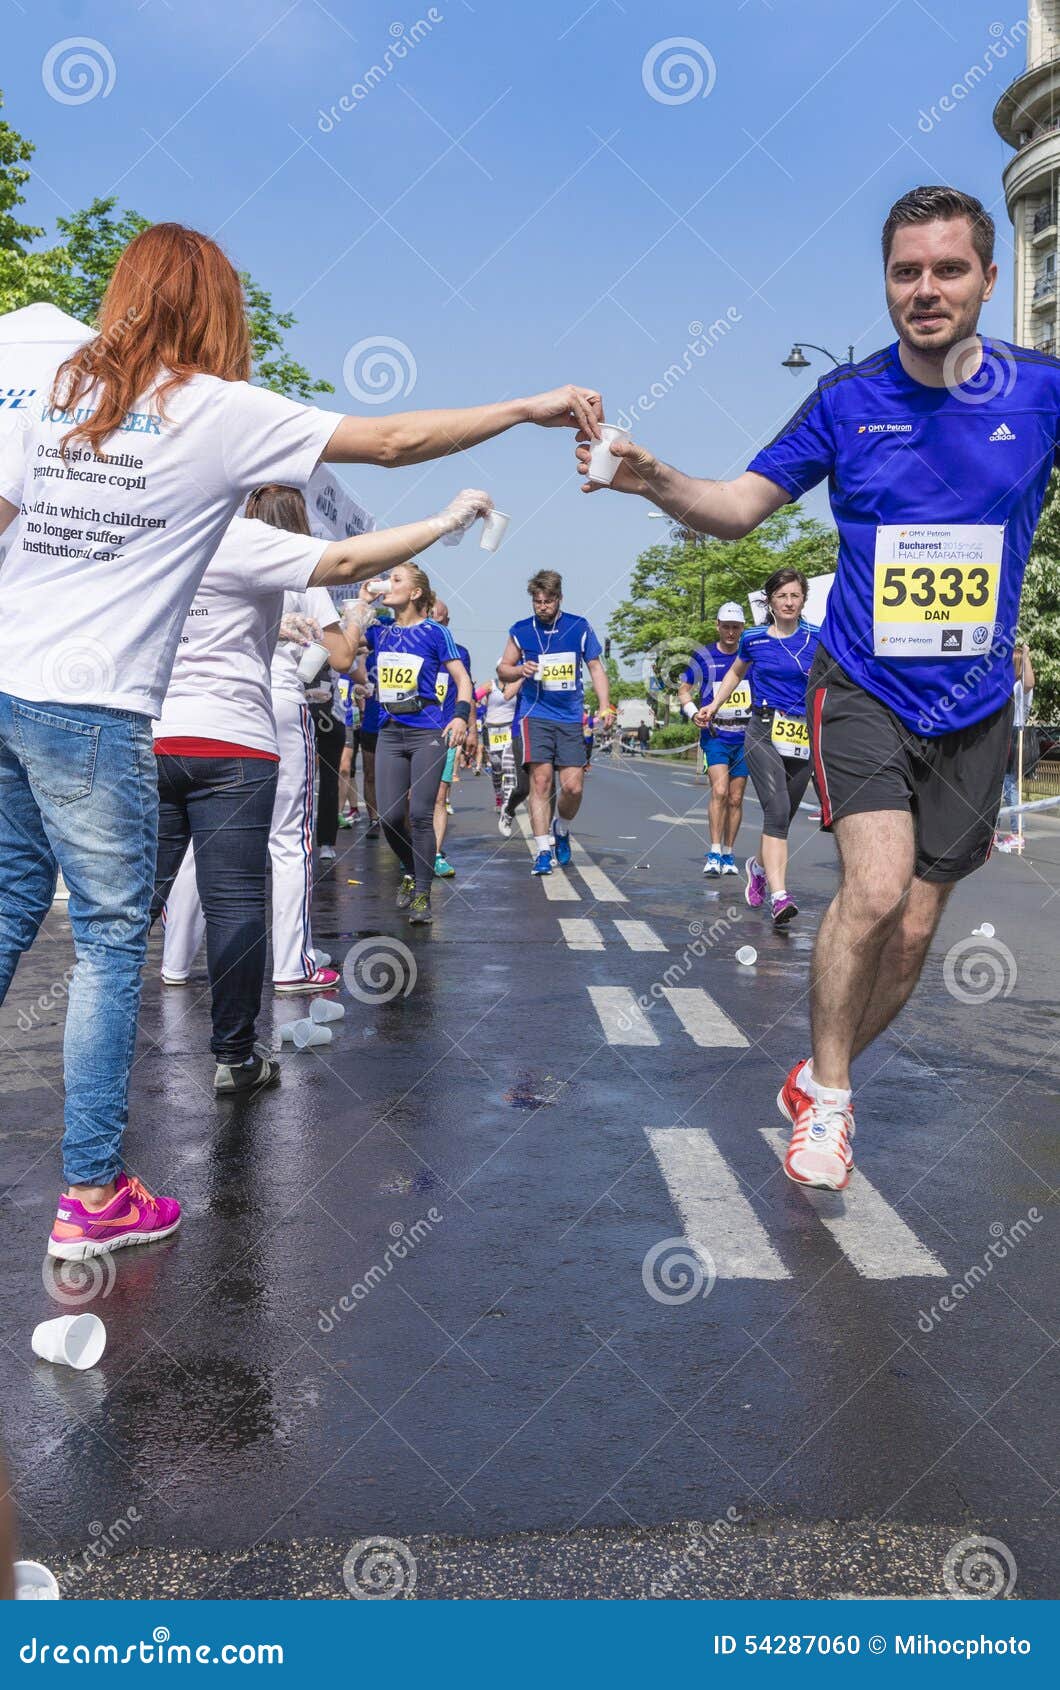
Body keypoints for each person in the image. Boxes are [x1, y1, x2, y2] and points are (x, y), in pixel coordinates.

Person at [0, 219, 602, 1263]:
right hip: (95, 709)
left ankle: (98, 1178)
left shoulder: (50, 387)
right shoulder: (215, 410)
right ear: (216, 311)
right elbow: (395, 441)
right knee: (105, 941)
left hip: (9, 686)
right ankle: (93, 1189)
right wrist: (525, 406)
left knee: (10, 907)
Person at [578, 184, 1051, 1193]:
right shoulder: (847, 400)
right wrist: (652, 477)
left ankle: (814, 1074)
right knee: (874, 889)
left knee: (917, 927)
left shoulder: (1038, 391)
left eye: (947, 269)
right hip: (864, 686)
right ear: (886, 281)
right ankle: (832, 1103)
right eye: (905, 271)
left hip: (973, 702)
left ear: (987, 278)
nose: (925, 290)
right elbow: (737, 507)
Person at [153, 486, 463, 1091]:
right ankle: (292, 963)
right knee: (285, 840)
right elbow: (344, 657)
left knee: (192, 843)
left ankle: (173, 960)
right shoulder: (294, 560)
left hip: (176, 720)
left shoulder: (197, 547)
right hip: (261, 711)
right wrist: (354, 614)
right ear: (297, 521)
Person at [701, 573, 818, 925]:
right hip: (764, 729)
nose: (788, 602)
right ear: (769, 601)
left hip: (803, 733)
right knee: (778, 808)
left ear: (803, 601)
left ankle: (758, 866)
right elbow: (735, 674)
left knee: (783, 815)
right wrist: (715, 706)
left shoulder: (818, 638)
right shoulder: (752, 638)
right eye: (782, 595)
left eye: (795, 595)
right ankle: (780, 897)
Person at [372, 564, 475, 923]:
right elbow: (343, 651)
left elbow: (462, 678)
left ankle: (422, 897)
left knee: (420, 815)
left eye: (396, 580)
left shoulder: (434, 633)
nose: (388, 584)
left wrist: (461, 716)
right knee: (389, 817)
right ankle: (412, 870)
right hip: (389, 731)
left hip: (427, 731)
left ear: (416, 593)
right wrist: (360, 608)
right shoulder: (380, 632)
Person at [497, 570, 612, 874]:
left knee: (573, 788)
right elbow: (503, 670)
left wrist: (604, 706)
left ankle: (561, 828)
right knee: (541, 781)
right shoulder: (521, 630)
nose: (543, 607)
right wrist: (520, 669)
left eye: (548, 601)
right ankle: (543, 850)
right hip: (534, 715)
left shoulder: (579, 627)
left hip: (570, 717)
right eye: (537, 602)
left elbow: (596, 669)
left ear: (559, 599)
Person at [678, 602, 749, 876]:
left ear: (742, 629)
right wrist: (693, 712)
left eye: (736, 627)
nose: (731, 632)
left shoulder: (749, 656)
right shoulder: (704, 656)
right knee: (719, 791)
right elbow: (684, 690)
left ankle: (729, 854)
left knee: (736, 797)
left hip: (744, 737)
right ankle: (715, 850)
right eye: (726, 626)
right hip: (716, 735)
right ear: (718, 626)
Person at [430, 598, 475, 879]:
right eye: (431, 617)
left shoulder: (459, 654)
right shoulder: (412, 646)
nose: (436, 623)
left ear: (448, 623)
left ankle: (433, 854)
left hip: (446, 733)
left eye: (441, 620)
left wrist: (472, 730)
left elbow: (465, 690)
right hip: (412, 731)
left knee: (439, 796)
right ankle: (411, 848)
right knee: (409, 799)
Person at [999, 641, 1035, 845]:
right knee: (998, 783)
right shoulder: (1009, 683)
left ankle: (1017, 832)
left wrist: (1026, 655)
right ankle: (992, 829)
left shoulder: (1021, 685)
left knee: (1010, 784)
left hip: (1016, 732)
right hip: (1006, 731)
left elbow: (1029, 683)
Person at [483, 676, 523, 831]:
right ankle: (499, 794)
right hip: (492, 729)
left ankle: (507, 801)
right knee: (496, 767)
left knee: (508, 765)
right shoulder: (490, 685)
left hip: (509, 728)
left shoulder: (516, 686)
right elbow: (473, 697)